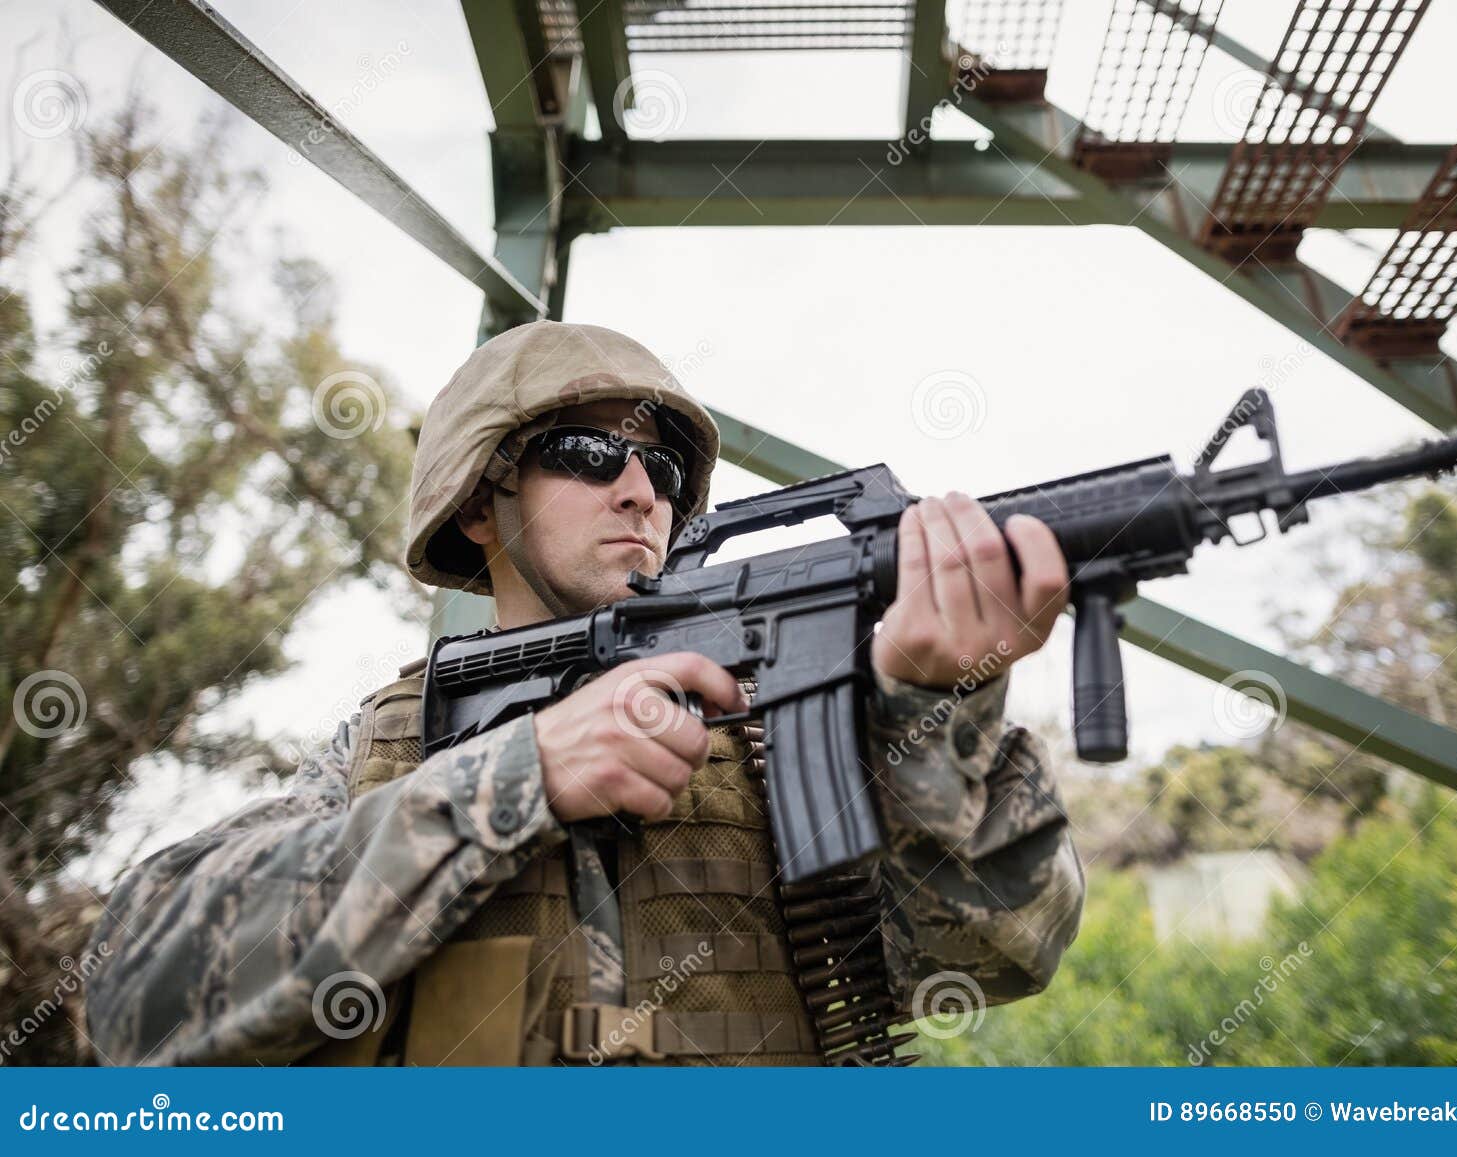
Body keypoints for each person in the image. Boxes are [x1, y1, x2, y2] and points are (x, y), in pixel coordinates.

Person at [84, 321, 1086, 1066]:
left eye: (661, 464)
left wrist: (931, 708)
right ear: (480, 501)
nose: (641, 487)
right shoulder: (392, 748)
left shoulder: (777, 737)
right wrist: (520, 776)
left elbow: (1004, 951)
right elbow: (133, 994)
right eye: (588, 452)